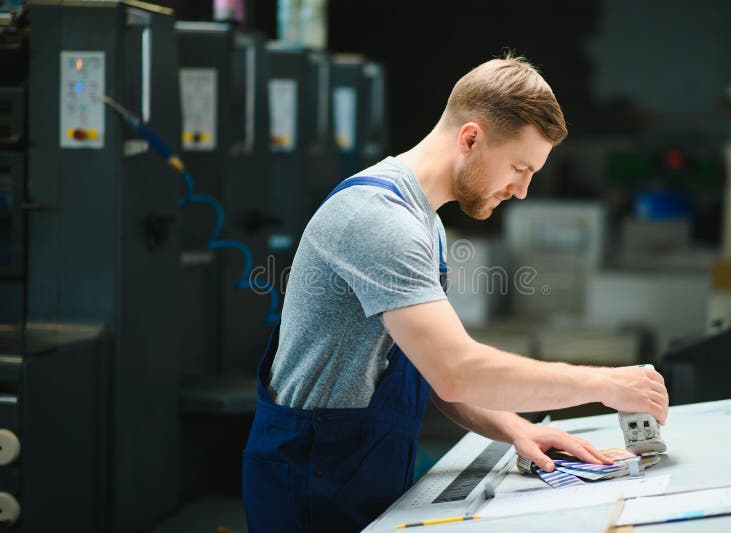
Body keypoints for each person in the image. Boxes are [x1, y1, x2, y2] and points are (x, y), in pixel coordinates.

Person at [242, 54, 669, 533]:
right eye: (519, 167)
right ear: (471, 138)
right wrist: (607, 384)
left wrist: (516, 428)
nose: (523, 190)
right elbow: (456, 372)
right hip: (311, 482)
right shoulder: (379, 220)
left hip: (358, 470)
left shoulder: (426, 223)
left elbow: (431, 366)